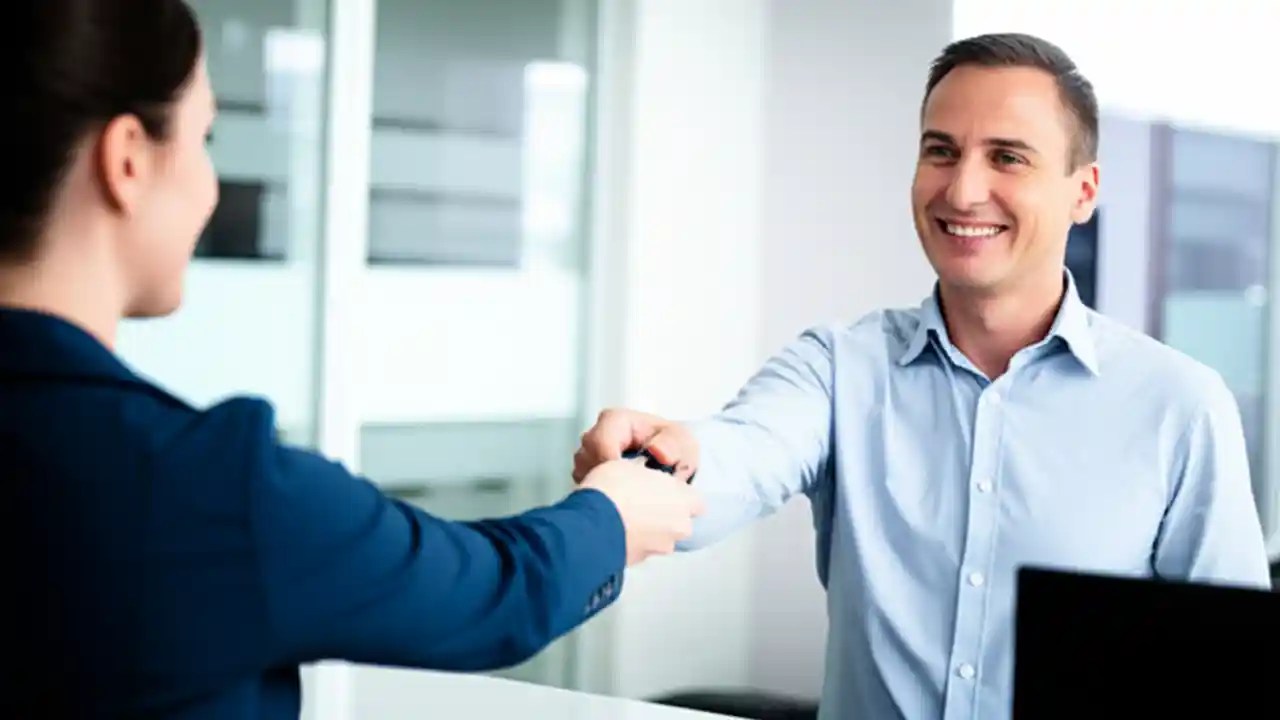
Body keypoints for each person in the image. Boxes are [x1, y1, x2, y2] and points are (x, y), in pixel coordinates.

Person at [0, 1, 704, 718]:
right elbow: (496, 590)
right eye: (203, 136)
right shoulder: (201, 489)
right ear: (125, 161)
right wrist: (614, 515)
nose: (211, 185)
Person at [574, 32, 1272, 720]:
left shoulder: (1179, 406)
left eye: (1007, 157)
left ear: (1082, 193)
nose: (964, 190)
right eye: (941, 151)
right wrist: (660, 461)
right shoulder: (841, 367)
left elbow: (1227, 672)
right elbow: (735, 457)